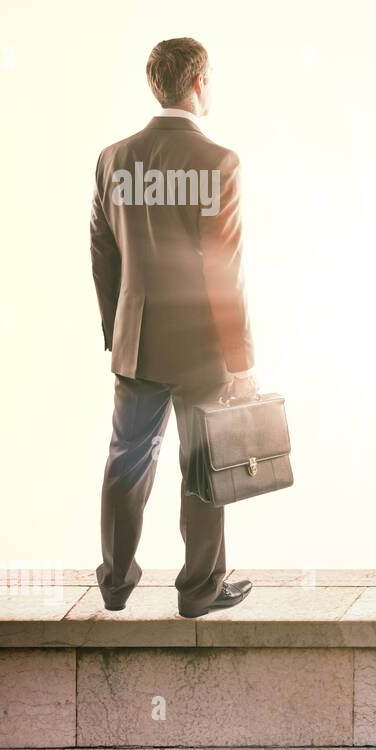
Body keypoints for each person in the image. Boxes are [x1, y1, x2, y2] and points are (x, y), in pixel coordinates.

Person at [90, 37, 256, 618]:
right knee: (204, 468)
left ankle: (114, 582)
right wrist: (241, 361)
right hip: (202, 349)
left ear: (155, 84)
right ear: (200, 82)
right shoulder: (219, 164)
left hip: (138, 343)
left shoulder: (113, 160)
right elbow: (223, 271)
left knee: (126, 459)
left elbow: (103, 250)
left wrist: (119, 326)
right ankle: (199, 590)